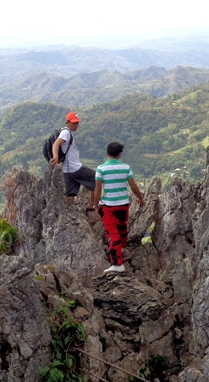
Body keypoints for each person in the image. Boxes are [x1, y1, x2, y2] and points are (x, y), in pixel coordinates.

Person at [92, 141, 145, 274]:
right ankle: (123, 248)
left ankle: (117, 263)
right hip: (123, 205)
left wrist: (96, 205)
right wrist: (140, 198)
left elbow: (98, 190)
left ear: (107, 152)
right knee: (122, 228)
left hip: (108, 206)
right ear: (120, 154)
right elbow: (133, 186)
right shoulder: (126, 167)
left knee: (112, 234)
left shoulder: (101, 168)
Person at [49, 112, 96, 206]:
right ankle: (92, 205)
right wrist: (55, 156)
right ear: (68, 122)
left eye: (77, 123)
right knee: (96, 178)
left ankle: (68, 209)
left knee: (70, 193)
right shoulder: (66, 132)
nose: (76, 125)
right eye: (74, 123)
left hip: (67, 170)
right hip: (75, 168)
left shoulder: (66, 132)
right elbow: (56, 144)